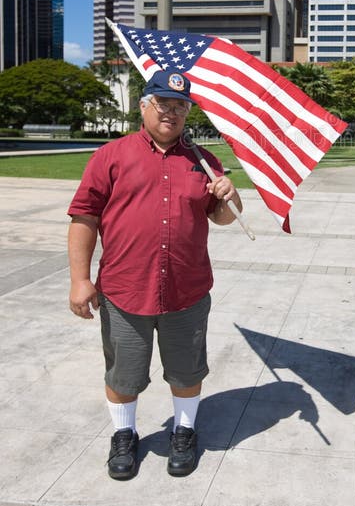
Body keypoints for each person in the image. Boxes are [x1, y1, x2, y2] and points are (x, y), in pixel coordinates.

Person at [68, 69, 242, 480]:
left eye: (181, 106)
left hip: (187, 289)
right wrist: (80, 279)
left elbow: (222, 219)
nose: (173, 112)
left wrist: (229, 198)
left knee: (187, 370)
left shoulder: (203, 160)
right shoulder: (111, 156)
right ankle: (124, 434)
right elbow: (83, 217)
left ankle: (183, 431)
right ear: (145, 106)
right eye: (164, 103)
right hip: (125, 290)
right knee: (124, 373)